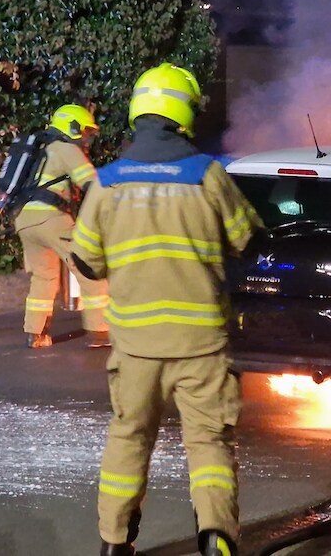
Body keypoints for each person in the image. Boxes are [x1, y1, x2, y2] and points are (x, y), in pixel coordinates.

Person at [72, 63, 262, 556]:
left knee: (129, 441)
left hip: (136, 350)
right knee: (209, 447)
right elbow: (248, 239)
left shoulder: (108, 183)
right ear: (184, 113)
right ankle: (216, 541)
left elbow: (86, 262)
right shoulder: (208, 176)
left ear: (138, 112)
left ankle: (115, 545)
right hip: (202, 347)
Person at [15, 104, 110, 349]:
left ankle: (36, 334)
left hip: (25, 219)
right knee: (89, 268)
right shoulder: (67, 149)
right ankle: (101, 332)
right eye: (87, 131)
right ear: (74, 127)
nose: (88, 138)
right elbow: (92, 185)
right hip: (52, 219)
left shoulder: (41, 149)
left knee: (44, 276)